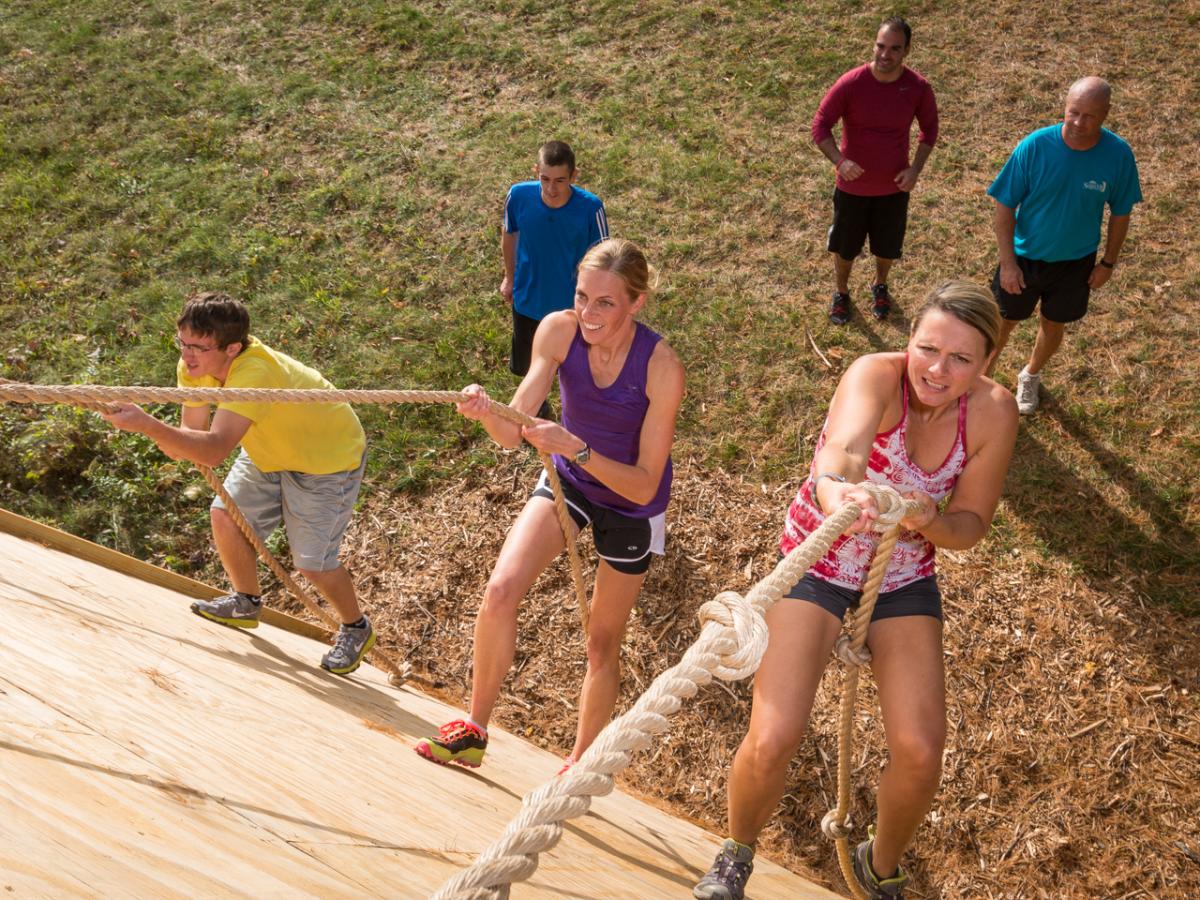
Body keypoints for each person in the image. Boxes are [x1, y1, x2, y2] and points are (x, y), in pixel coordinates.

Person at [694, 281, 1017, 900]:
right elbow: (842, 453)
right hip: (818, 561)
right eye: (928, 349)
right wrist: (840, 491)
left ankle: (879, 864)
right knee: (775, 733)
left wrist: (929, 520)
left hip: (900, 576)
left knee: (921, 749)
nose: (937, 369)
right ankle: (735, 853)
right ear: (909, 339)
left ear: (988, 361)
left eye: (960, 359)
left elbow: (971, 524)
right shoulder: (875, 374)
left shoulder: (994, 412)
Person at [416, 238, 684, 773]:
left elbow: (643, 484)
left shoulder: (661, 366)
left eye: (605, 302)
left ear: (636, 303)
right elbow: (511, 433)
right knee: (500, 589)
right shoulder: (559, 331)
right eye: (582, 296)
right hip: (571, 481)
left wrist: (578, 449)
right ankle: (473, 729)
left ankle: (579, 764)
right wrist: (486, 411)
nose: (588, 313)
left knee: (601, 643)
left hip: (630, 507)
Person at [100, 292, 375, 675]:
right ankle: (246, 602)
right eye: (183, 343)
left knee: (312, 563)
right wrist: (154, 431)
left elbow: (212, 450)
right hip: (268, 450)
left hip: (326, 461)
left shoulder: (256, 372)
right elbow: (191, 438)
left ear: (231, 348)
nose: (187, 355)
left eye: (198, 347)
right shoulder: (194, 366)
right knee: (226, 516)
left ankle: (356, 627)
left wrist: (148, 424)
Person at [988, 76, 1142, 414]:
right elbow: (1004, 204)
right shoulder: (1035, 146)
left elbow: (1121, 213)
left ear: (1106, 114)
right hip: (1025, 257)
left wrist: (1108, 262)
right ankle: (981, 380)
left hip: (1076, 264)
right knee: (1001, 322)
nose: (1077, 123)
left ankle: (1030, 375)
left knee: (1053, 322)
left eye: (1089, 116)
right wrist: (1008, 263)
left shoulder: (1118, 155)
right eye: (1073, 112)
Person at [812, 16, 939, 325]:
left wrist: (915, 170)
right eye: (881, 46)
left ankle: (880, 285)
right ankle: (842, 292)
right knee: (845, 248)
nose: (885, 54)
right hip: (852, 190)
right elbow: (820, 125)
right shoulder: (851, 83)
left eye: (895, 48)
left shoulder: (917, 87)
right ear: (874, 45)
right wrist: (840, 161)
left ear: (907, 50)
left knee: (887, 248)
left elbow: (930, 130)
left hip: (894, 189)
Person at [501, 140, 609, 418]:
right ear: (536, 171)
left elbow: (603, 260)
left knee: (577, 371)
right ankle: (537, 411)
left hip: (570, 310)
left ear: (574, 176)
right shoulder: (518, 196)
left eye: (560, 180)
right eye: (545, 179)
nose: (551, 188)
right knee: (527, 368)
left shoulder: (591, 209)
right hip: (528, 302)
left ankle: (580, 417)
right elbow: (509, 235)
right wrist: (509, 278)